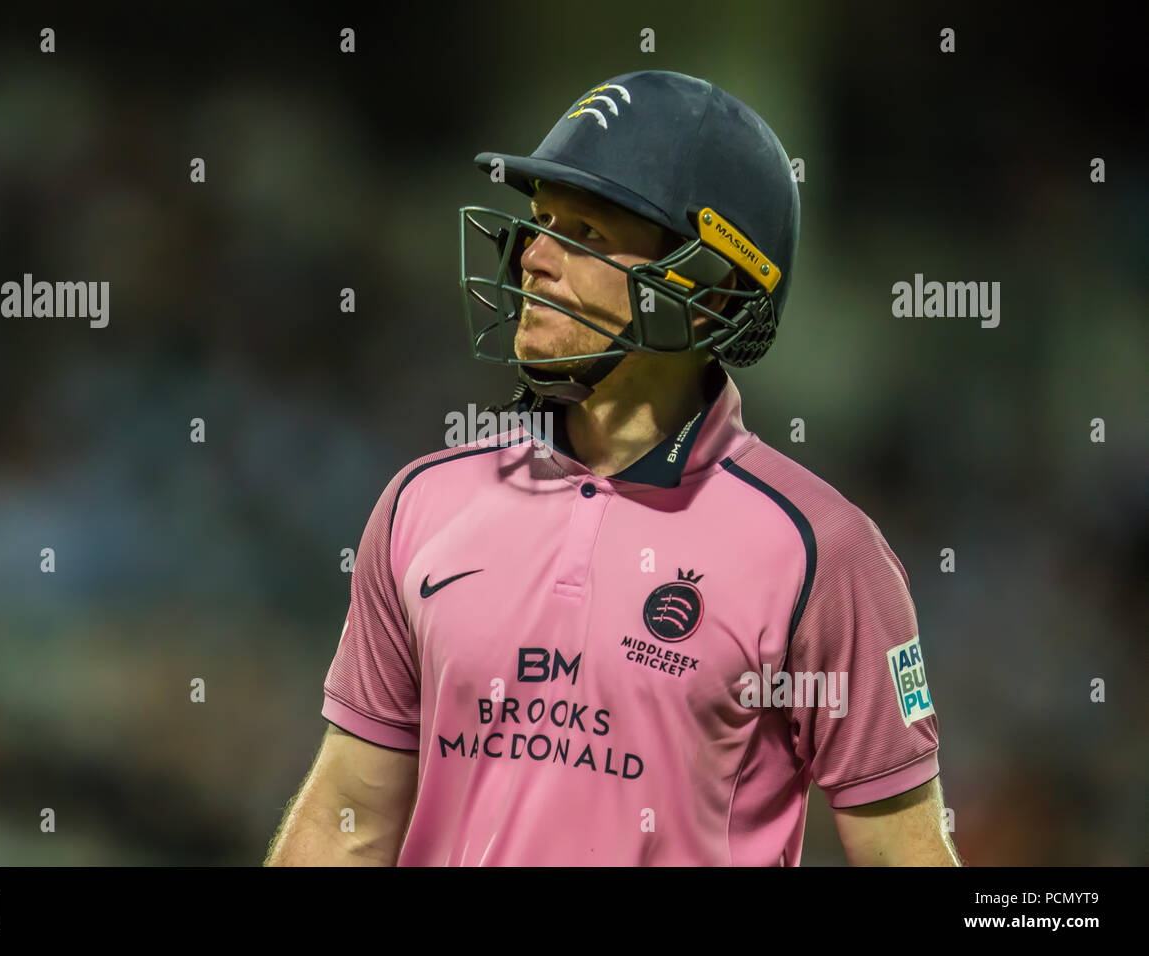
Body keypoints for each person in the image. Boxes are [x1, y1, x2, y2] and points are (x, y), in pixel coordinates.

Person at [266, 70, 961, 866]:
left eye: (587, 236)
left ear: (708, 290)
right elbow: (346, 816)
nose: (533, 258)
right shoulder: (422, 503)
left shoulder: (824, 553)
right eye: (540, 223)